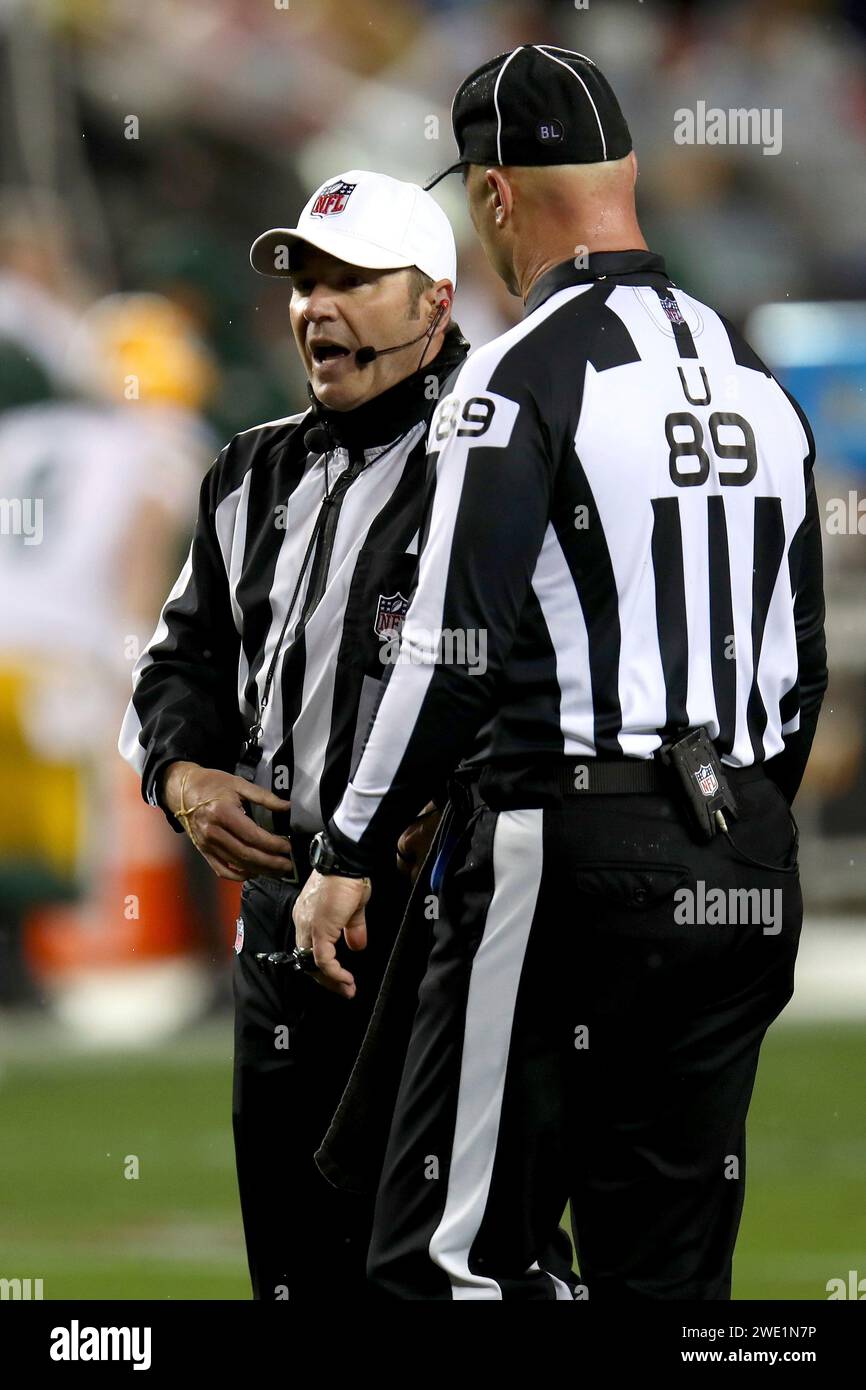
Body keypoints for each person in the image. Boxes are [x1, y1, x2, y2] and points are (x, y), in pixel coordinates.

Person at [293, 48, 827, 1300]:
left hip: (569, 843)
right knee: (673, 1276)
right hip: (740, 848)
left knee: (453, 1258)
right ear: (627, 173)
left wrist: (348, 852)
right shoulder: (753, 373)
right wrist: (725, 819)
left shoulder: (512, 373)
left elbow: (449, 647)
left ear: (490, 197)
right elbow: (794, 666)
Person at [119, 169, 469, 1299]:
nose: (318, 306)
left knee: (444, 1260)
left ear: (435, 301)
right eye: (305, 283)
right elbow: (175, 661)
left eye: (355, 281)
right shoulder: (251, 468)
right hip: (283, 915)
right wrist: (181, 777)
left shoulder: (490, 458)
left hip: (440, 914)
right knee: (293, 1266)